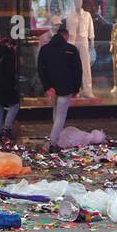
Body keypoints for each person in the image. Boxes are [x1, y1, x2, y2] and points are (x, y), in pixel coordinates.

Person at [37, 19, 82, 151]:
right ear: (65, 36)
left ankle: (55, 139)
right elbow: (77, 70)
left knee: (56, 112)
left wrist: (47, 86)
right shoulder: (71, 49)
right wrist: (76, 88)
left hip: (52, 87)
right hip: (66, 87)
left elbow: (41, 69)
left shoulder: (45, 49)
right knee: (61, 115)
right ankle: (53, 142)